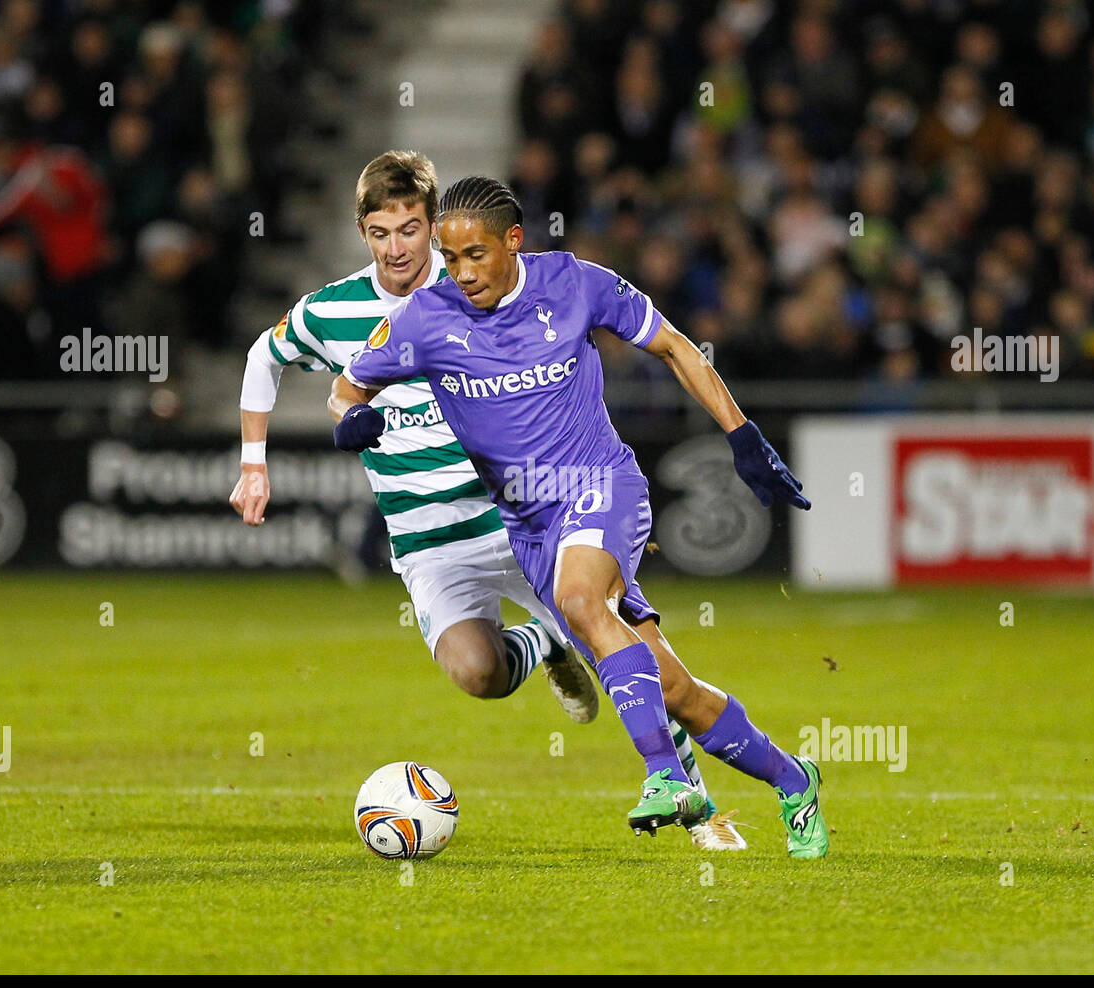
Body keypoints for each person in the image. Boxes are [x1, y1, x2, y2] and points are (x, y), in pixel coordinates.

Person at [231, 151, 745, 850]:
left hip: (519, 520)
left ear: (433, 224)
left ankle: (703, 811)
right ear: (362, 231)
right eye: (382, 233)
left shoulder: (478, 286)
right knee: (477, 673)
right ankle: (542, 642)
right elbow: (266, 354)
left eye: (412, 229)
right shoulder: (333, 310)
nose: (399, 247)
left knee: (640, 660)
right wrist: (254, 463)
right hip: (427, 540)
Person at [330, 176, 827, 857]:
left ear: (513, 241)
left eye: (475, 254)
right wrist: (351, 417)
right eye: (449, 258)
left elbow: (676, 345)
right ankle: (796, 779)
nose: (461, 272)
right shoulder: (426, 317)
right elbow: (347, 384)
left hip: (602, 484)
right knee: (673, 686)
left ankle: (666, 777)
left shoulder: (577, 284)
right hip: (530, 526)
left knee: (576, 596)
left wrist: (742, 435)